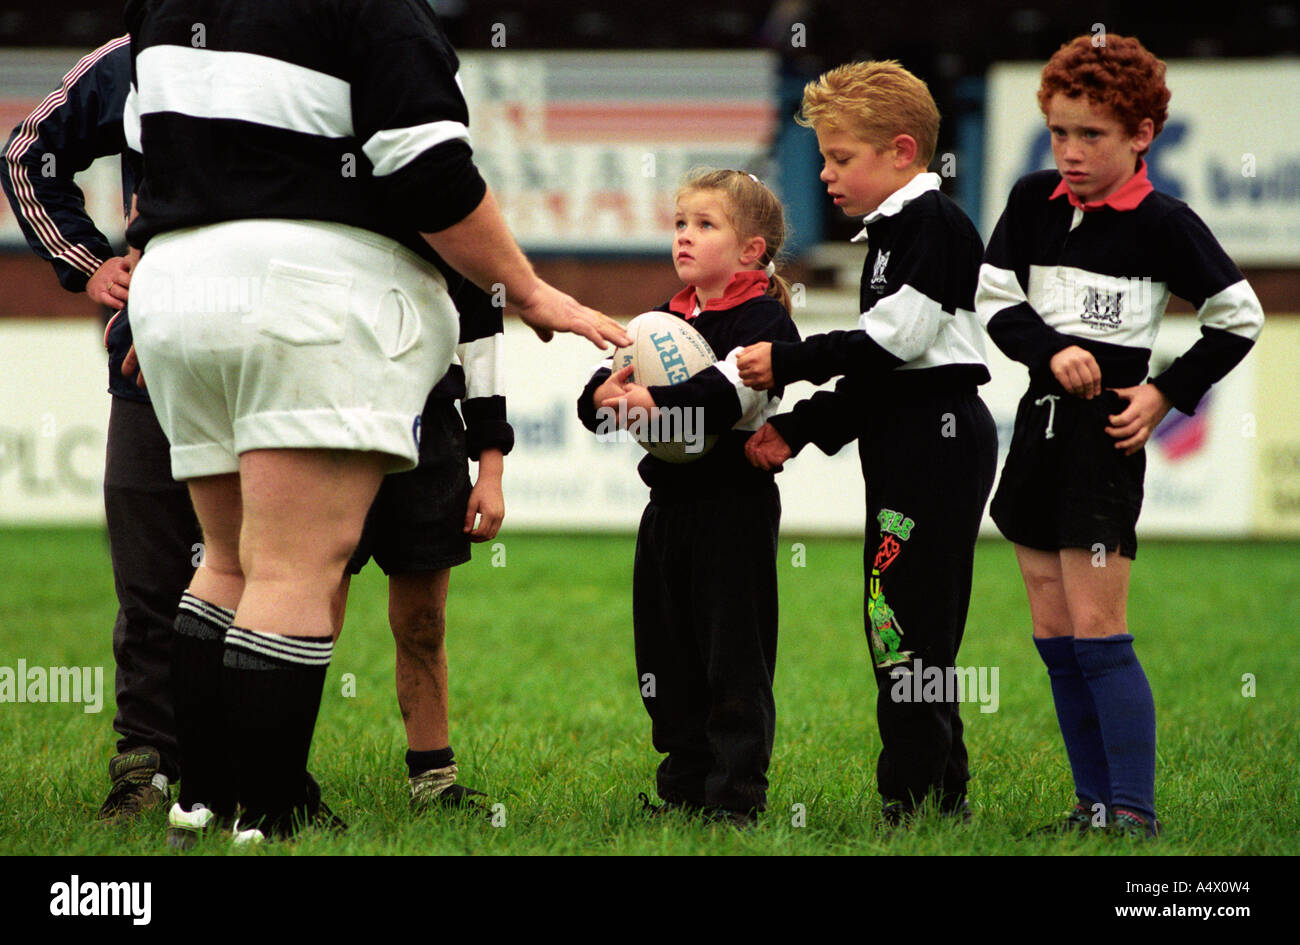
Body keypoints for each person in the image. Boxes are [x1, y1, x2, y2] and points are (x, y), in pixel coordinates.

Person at [123, 0, 628, 843]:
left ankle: (198, 805)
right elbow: (427, 167)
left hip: (175, 283)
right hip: (307, 288)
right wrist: (529, 289)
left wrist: (166, 278)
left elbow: (152, 156)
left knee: (228, 560)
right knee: (290, 568)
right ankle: (267, 819)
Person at [975, 34, 1263, 839]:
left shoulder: (1167, 223)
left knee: (1099, 627)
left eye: (1091, 135)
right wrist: (1050, 350)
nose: (1068, 151)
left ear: (1142, 135)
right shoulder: (1033, 199)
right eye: (1060, 131)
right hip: (1036, 433)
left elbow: (1239, 318)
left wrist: (1166, 392)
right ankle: (1090, 803)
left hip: (1104, 447)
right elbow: (995, 297)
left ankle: (1132, 809)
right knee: (1051, 625)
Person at [736, 61, 997, 826]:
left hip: (937, 441)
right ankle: (937, 793)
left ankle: (914, 802)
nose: (823, 174)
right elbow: (886, 375)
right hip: (909, 432)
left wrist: (789, 362)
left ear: (903, 152)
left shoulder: (933, 227)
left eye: (840, 157)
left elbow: (896, 342)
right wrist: (803, 425)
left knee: (903, 618)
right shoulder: (891, 234)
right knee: (900, 615)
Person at [1, 34, 200, 822]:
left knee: (271, 570)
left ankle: (253, 772)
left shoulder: (310, 39)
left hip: (268, 354)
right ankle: (145, 766)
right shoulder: (132, 55)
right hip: (148, 361)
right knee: (151, 581)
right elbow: (26, 152)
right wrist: (90, 263)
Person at [578, 169, 799, 827]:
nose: (685, 237)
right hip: (666, 508)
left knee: (733, 655)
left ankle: (734, 798)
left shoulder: (764, 318)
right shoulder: (663, 318)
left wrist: (656, 400)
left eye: (705, 225)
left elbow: (731, 393)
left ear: (752, 249)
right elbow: (602, 398)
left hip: (732, 507)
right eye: (680, 224)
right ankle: (683, 786)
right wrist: (600, 397)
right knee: (666, 655)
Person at [338, 274, 510, 811]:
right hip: (332, 426)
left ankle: (433, 781)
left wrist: (491, 474)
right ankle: (274, 782)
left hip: (430, 436)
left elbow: (483, 360)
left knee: (423, 623)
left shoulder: (463, 234)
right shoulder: (337, 207)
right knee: (308, 614)